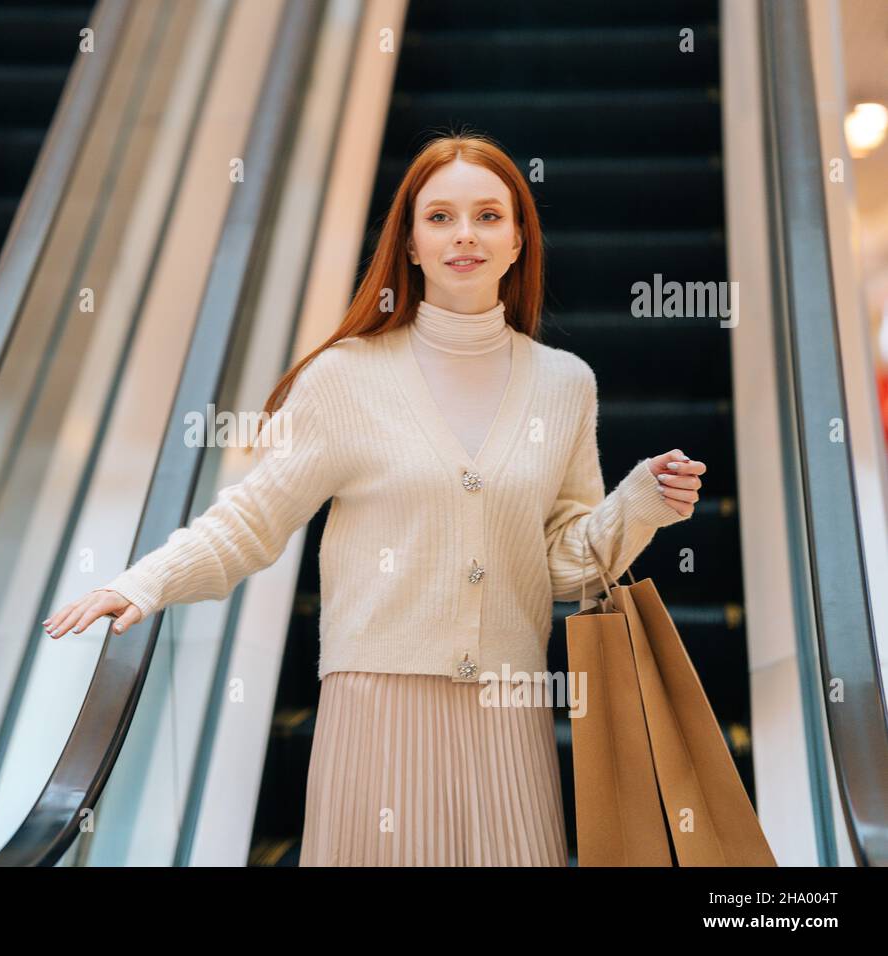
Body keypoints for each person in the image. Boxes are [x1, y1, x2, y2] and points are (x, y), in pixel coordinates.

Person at [43, 132, 706, 866]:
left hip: (508, 711)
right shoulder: (345, 378)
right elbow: (254, 518)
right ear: (411, 244)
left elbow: (563, 564)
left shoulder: (565, 384)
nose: (465, 235)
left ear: (519, 239)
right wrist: (144, 581)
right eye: (440, 217)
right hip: (375, 709)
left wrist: (640, 503)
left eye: (489, 216)